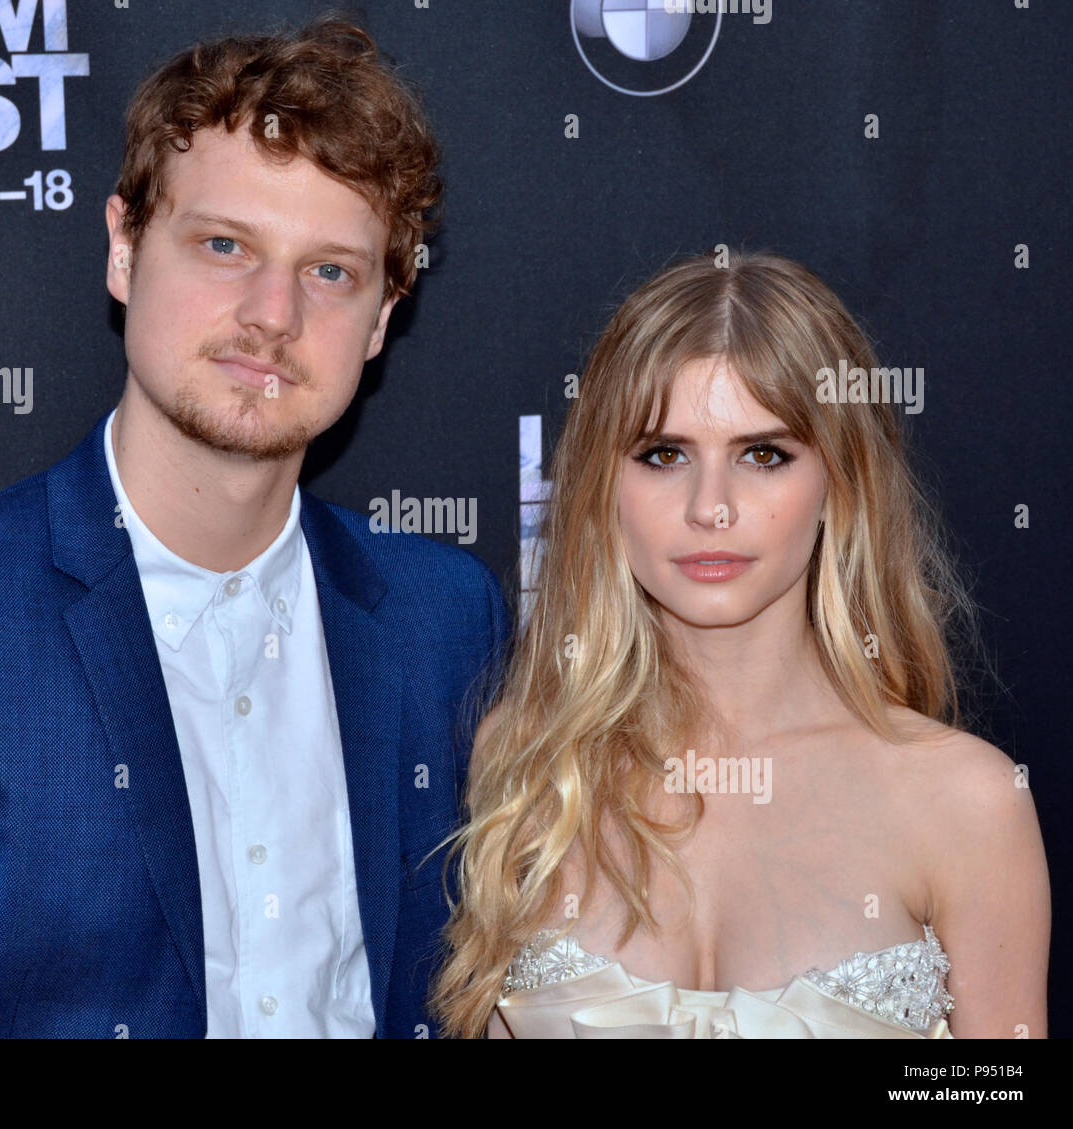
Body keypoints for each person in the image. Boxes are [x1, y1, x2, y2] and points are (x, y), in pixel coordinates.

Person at [0, 15, 510, 1039]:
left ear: (383, 317)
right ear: (124, 247)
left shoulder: (444, 618)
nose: (273, 314)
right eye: (223, 245)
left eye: (331, 272)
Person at [430, 251, 1050, 1039]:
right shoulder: (525, 764)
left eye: (764, 455)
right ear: (600, 487)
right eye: (664, 454)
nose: (710, 507)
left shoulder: (966, 800)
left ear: (841, 484)